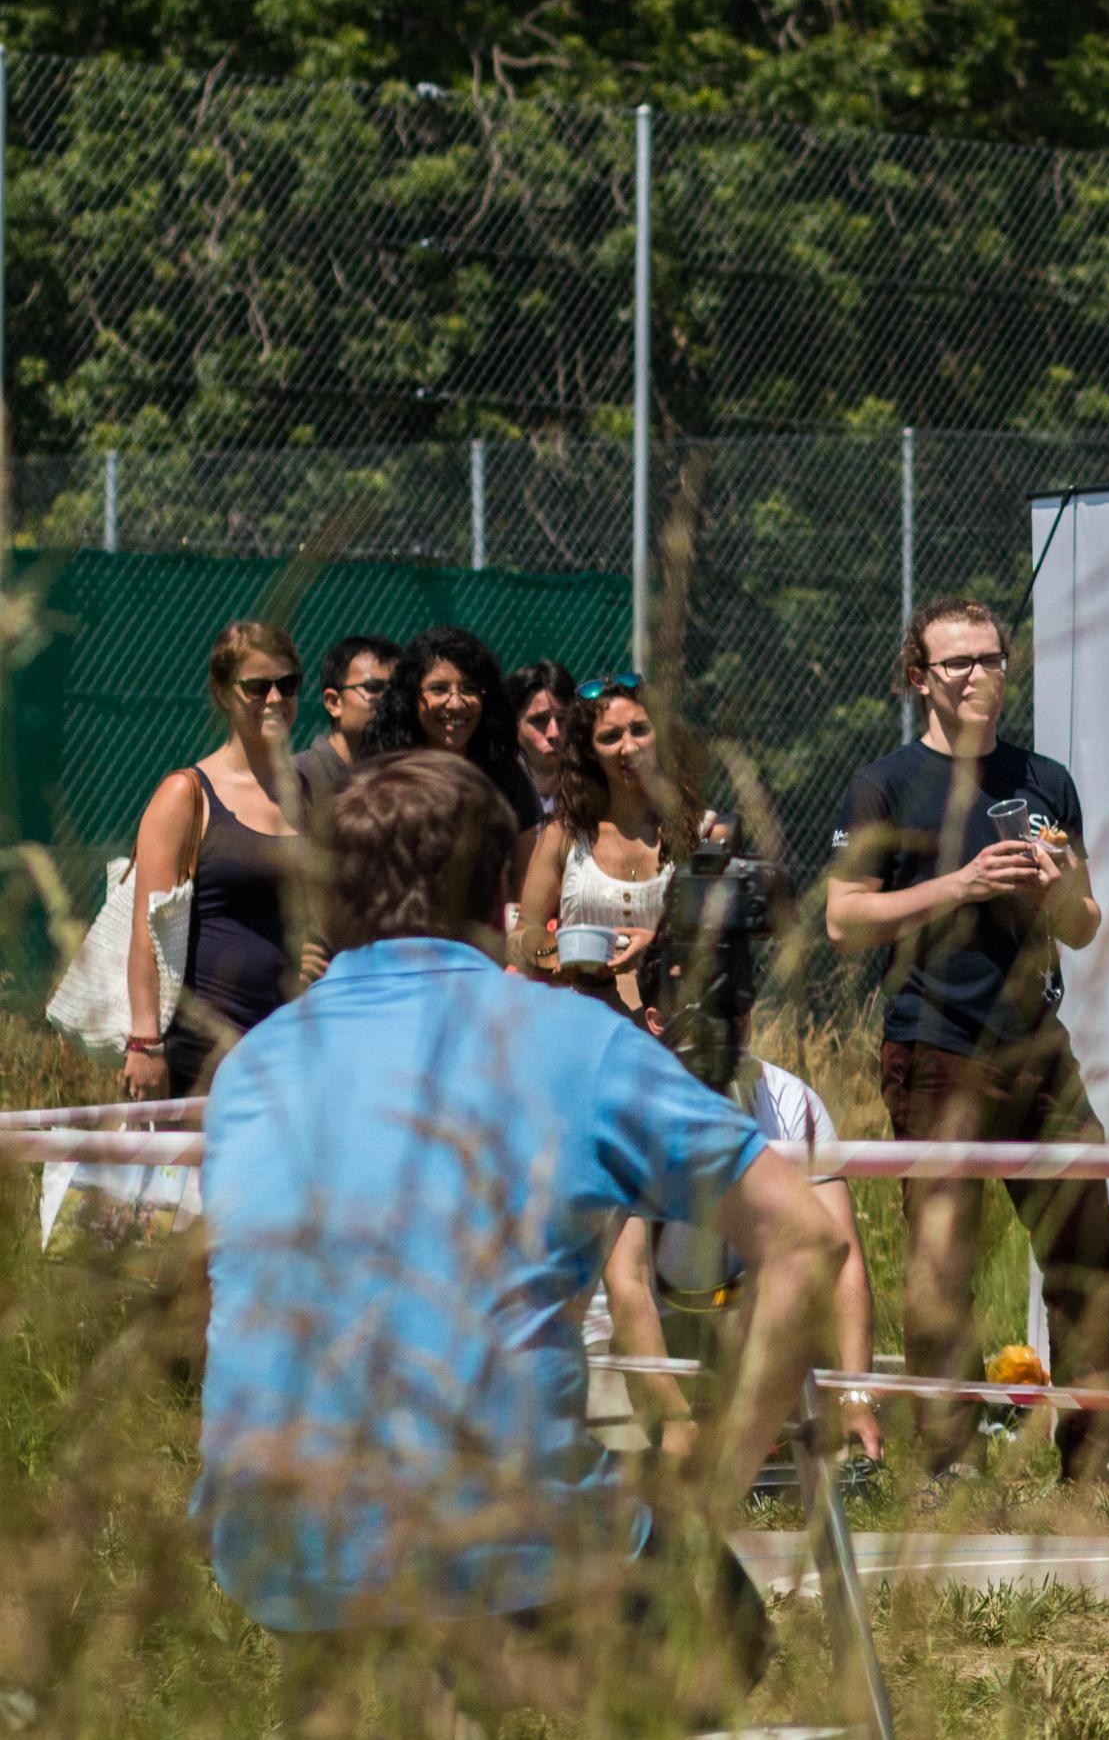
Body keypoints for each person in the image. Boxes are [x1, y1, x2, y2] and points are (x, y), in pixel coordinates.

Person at [197, 750, 843, 1732]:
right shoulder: (568, 1038)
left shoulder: (251, 1065)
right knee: (721, 1628)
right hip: (510, 1540)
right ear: (506, 891)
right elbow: (804, 1233)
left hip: (275, 1544)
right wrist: (716, 1478)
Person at [822, 596, 1109, 1482]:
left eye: (990, 658)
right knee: (942, 1259)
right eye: (956, 662)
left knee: (1083, 1239)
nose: (977, 676)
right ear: (921, 677)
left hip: (1038, 1040)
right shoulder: (886, 783)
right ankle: (946, 1461)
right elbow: (843, 920)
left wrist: (1053, 885)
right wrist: (958, 884)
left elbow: (1084, 922)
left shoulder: (1044, 778)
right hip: (937, 1039)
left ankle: (1099, 1455)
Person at [601, 971, 885, 1468]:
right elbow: (627, 1282)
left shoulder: (793, 1103)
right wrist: (673, 1420)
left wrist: (855, 1395)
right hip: (660, 1330)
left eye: (735, 1017)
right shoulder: (631, 1110)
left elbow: (843, 1259)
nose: (724, 1034)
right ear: (655, 1022)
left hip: (758, 1315)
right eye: (702, 1017)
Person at [120, 621, 306, 1101]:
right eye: (256, 686)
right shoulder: (186, 794)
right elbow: (147, 931)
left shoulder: (304, 794)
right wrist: (144, 1043)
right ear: (223, 693)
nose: (274, 699)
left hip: (286, 1050)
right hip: (200, 1053)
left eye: (287, 684)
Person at [516, 674, 693, 1009]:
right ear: (591, 752)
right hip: (584, 1023)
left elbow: (720, 943)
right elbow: (524, 936)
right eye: (611, 737)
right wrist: (566, 956)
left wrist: (659, 945)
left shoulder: (696, 832)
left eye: (640, 730)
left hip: (672, 1033)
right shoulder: (564, 835)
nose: (630, 747)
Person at [370, 626, 544, 829]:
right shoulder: (382, 780)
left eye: (469, 688)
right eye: (439, 689)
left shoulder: (507, 776)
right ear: (410, 697)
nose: (456, 704)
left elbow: (528, 857)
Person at [291, 633, 397, 809]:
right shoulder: (295, 781)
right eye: (373, 688)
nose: (389, 699)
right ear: (333, 702)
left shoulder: (402, 779)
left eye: (396, 689)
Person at [510, 659, 578, 820]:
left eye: (562, 720)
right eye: (539, 720)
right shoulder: (494, 798)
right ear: (513, 725)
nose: (554, 733)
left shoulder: (592, 798)